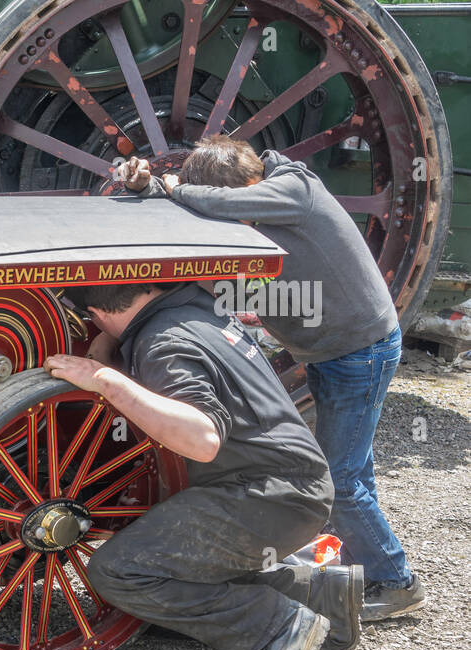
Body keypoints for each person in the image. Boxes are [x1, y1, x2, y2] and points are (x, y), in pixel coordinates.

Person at [120, 138, 424, 622]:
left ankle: (396, 581)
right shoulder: (269, 193)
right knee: (352, 469)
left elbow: (226, 203)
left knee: (339, 479)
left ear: (250, 184)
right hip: (334, 350)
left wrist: (169, 187)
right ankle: (366, 563)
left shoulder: (295, 189)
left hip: (357, 350)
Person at [45, 281, 363, 650]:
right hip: (292, 481)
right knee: (177, 571)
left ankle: (281, 627)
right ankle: (321, 592)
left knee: (119, 572)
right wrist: (111, 346)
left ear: (97, 315)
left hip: (266, 495)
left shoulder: (163, 345)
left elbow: (203, 437)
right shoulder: (193, 303)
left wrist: (105, 379)